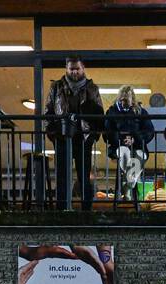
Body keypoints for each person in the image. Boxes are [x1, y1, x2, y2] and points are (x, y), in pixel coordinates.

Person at [44, 57, 104, 210]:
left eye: (77, 68)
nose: (74, 72)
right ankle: (62, 208)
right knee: (62, 176)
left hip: (83, 137)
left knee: (84, 176)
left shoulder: (92, 89)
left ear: (83, 68)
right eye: (71, 69)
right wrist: (53, 133)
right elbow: (48, 112)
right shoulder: (56, 87)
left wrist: (93, 135)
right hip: (62, 136)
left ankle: (86, 210)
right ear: (66, 68)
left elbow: (99, 114)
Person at [104, 85, 155, 205]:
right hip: (118, 146)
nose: (123, 102)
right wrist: (122, 141)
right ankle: (130, 185)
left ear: (132, 99)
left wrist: (134, 139)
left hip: (138, 146)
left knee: (140, 156)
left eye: (126, 100)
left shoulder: (141, 112)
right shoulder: (111, 112)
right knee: (124, 153)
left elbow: (149, 132)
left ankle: (127, 186)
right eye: (121, 100)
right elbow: (107, 133)